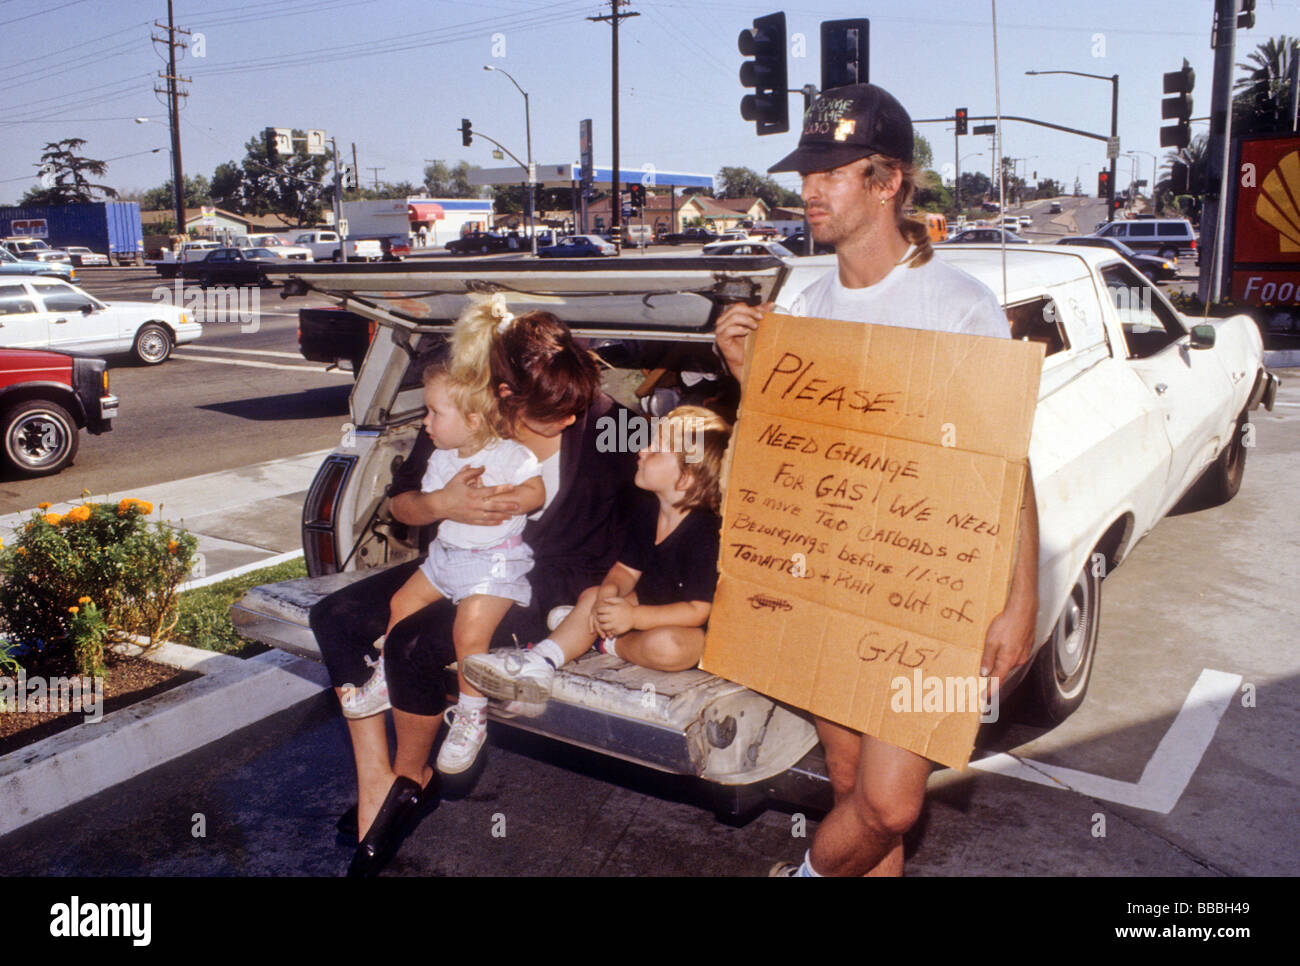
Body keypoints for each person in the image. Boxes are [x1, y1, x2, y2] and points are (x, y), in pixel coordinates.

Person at [713, 83, 1039, 878]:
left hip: (924, 588)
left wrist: (1020, 596)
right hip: (826, 573)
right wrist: (741, 370)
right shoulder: (800, 296)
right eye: (807, 173)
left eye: (833, 172)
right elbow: (789, 448)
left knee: (892, 803)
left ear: (888, 181)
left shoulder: (957, 303)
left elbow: (1005, 464)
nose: (809, 190)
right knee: (854, 787)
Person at [309, 295, 637, 873]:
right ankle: (377, 781)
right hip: (456, 561)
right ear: (505, 398)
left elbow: (652, 521)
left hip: (545, 584)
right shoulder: (469, 416)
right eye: (549, 413)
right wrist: (442, 502)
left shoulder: (615, 427)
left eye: (575, 408)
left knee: (414, 643)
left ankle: (413, 777)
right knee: (333, 618)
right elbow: (402, 505)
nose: (568, 421)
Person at [340, 350, 546, 779]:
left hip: (492, 565)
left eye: (434, 413)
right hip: (446, 558)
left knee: (468, 633)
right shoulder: (441, 457)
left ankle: (472, 716)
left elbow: (536, 491)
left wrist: (512, 500)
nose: (425, 422)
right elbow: (421, 507)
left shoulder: (508, 454)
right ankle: (383, 680)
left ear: (473, 419)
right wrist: (442, 502)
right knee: (401, 602)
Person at [461, 405, 730, 706]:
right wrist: (609, 595)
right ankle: (539, 661)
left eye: (656, 452)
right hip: (647, 603)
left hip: (689, 625)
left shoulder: (706, 532)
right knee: (591, 595)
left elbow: (697, 610)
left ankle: (607, 643)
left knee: (671, 648)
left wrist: (633, 617)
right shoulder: (648, 509)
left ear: (686, 479)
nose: (641, 450)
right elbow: (626, 570)